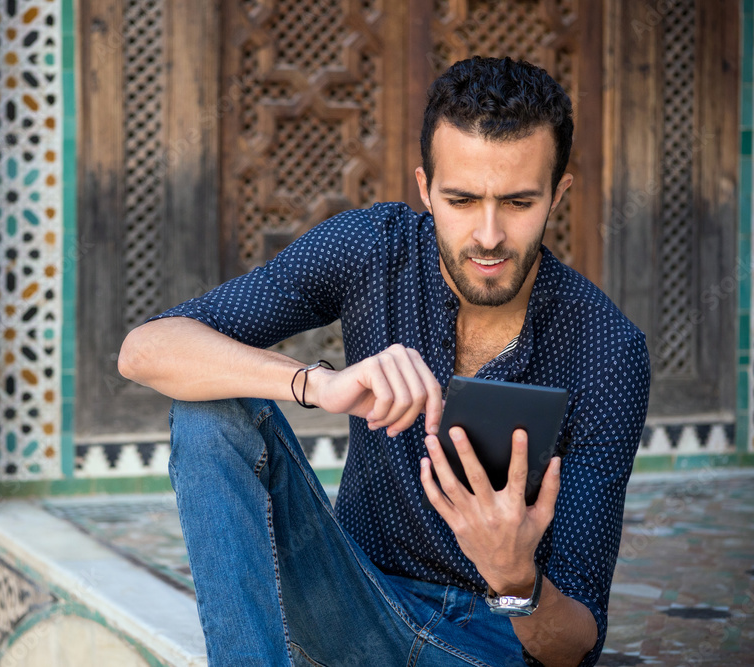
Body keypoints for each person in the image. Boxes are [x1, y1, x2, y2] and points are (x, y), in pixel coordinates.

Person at [119, 56, 649, 667]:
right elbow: (146, 349)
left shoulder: (607, 349)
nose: (488, 235)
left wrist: (515, 579)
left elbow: (574, 647)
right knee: (211, 411)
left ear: (558, 194)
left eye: (518, 202)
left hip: (490, 643)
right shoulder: (373, 249)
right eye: (460, 199)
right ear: (425, 189)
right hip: (355, 608)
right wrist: (316, 384)